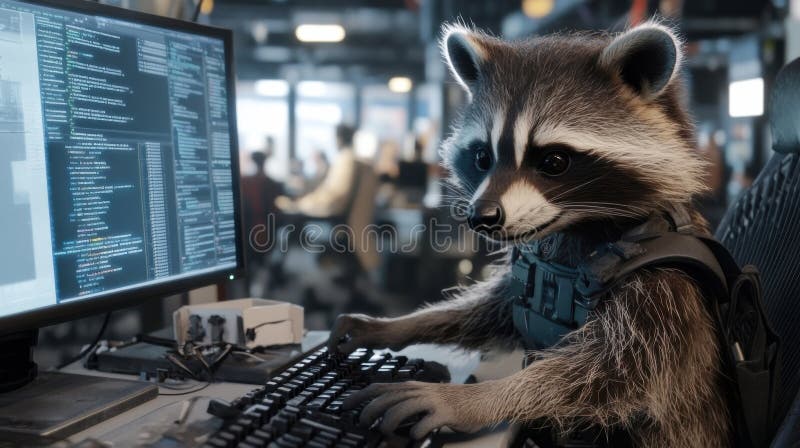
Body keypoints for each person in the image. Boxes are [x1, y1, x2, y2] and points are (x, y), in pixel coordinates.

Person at [276, 124, 357, 218]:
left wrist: (304, 203)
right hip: (330, 202)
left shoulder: (345, 159)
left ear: (339, 138)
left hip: (332, 206)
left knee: (293, 212)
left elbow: (333, 194)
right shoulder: (346, 158)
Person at [241, 138, 282, 267]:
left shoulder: (244, 182)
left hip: (246, 233)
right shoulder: (271, 183)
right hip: (264, 232)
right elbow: (276, 210)